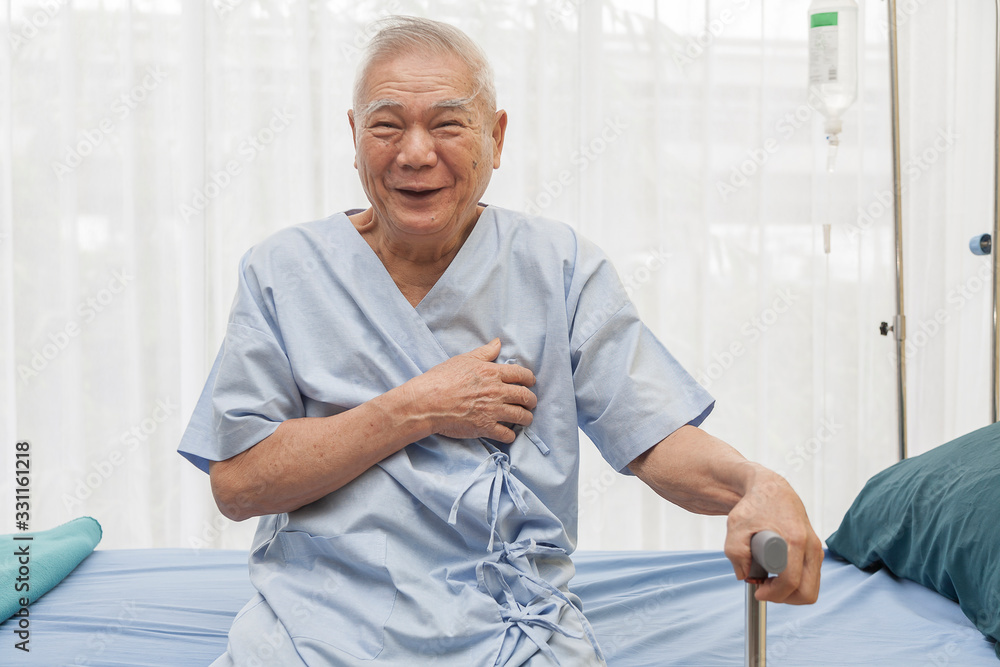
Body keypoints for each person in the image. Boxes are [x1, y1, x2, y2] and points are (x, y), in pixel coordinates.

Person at [178, 15, 823, 666]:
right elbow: (239, 484)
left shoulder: (558, 267)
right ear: (354, 136)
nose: (415, 153)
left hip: (510, 629)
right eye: (387, 125)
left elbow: (656, 437)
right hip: (317, 629)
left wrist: (755, 483)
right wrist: (419, 408)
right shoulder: (283, 271)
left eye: (448, 124)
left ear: (496, 136)